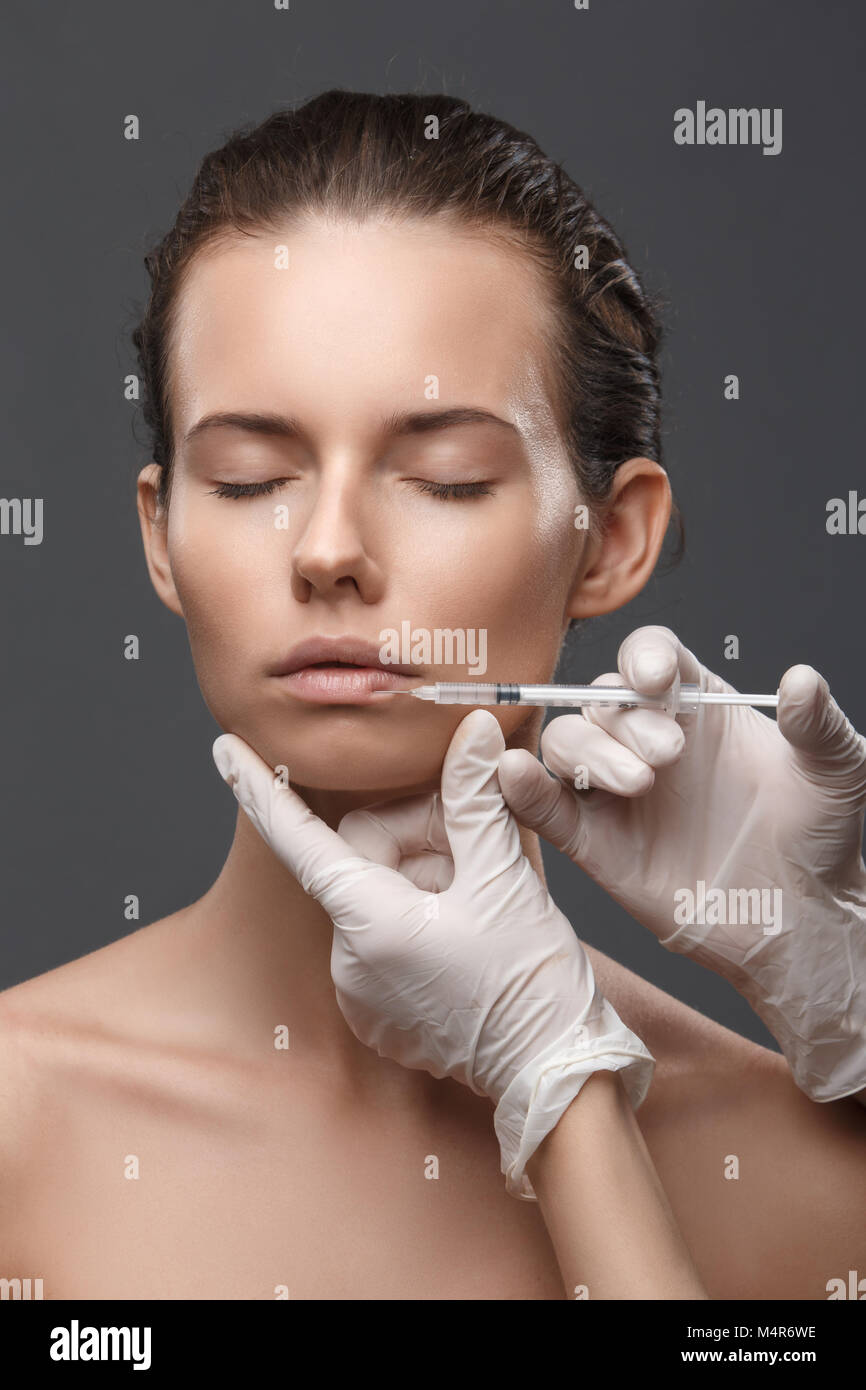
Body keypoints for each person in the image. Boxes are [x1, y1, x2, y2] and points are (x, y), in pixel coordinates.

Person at [0, 90, 863, 1300]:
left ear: (609, 538)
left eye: (444, 478)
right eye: (249, 477)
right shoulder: (17, 1125)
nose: (327, 549)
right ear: (161, 536)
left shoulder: (804, 1171)